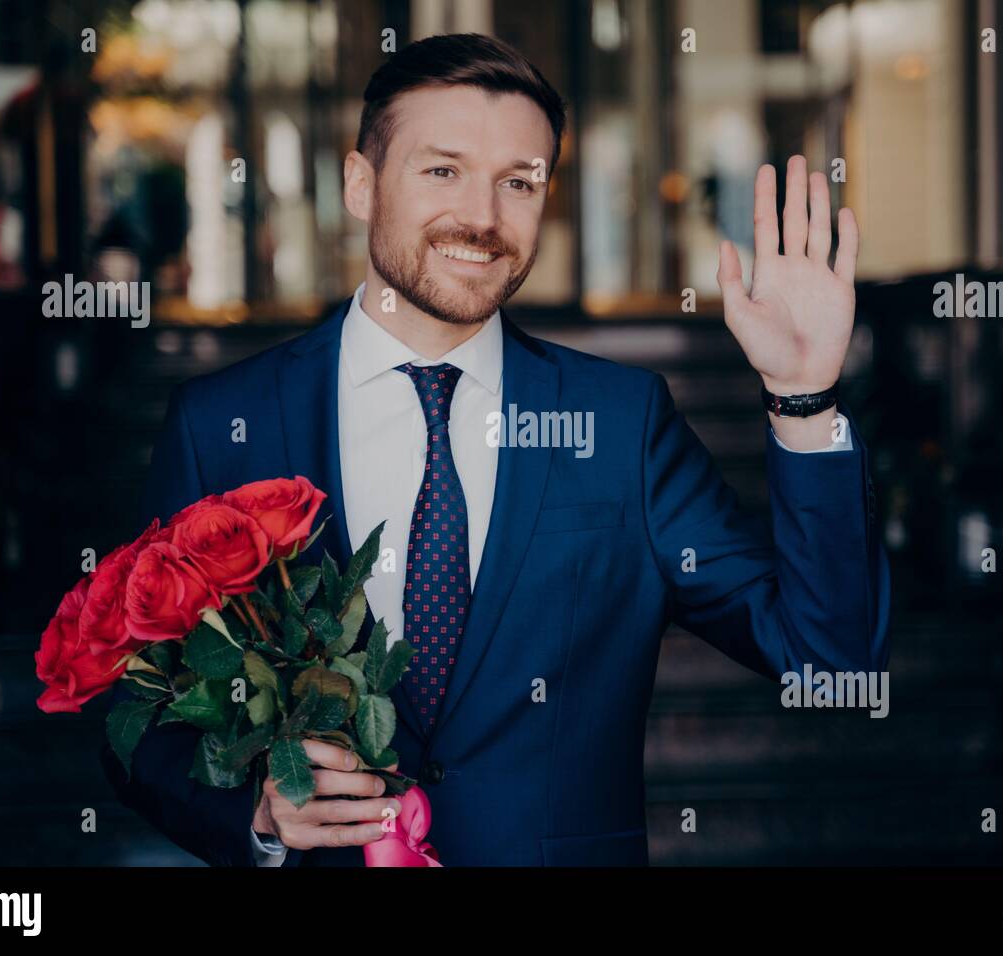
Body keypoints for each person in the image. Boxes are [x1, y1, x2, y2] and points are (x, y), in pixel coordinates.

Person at [102, 32, 889, 867]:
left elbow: (828, 659)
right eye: (442, 170)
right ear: (360, 185)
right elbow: (137, 719)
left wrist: (804, 399)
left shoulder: (622, 421)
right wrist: (255, 819)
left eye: (520, 182)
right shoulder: (226, 422)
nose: (482, 217)